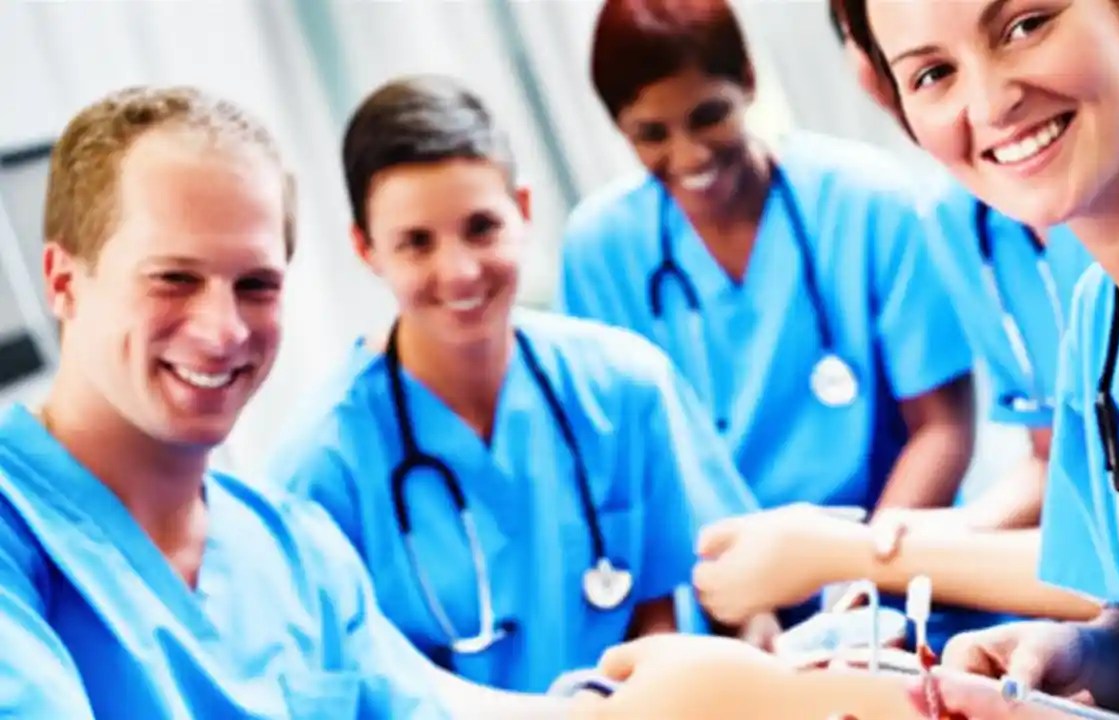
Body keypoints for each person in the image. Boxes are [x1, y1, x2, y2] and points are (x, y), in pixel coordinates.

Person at [569, 0, 1119, 717]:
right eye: (934, 73)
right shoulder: (1099, 327)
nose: (990, 103)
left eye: (1026, 25)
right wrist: (1074, 656)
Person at [0, 85, 579, 719]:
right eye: (173, 279)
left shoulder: (294, 549)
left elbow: (432, 707)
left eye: (255, 285)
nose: (222, 331)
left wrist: (626, 705)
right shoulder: (19, 532)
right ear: (63, 282)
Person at [269, 74, 758, 695]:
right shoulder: (322, 470)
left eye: (481, 228)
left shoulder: (624, 387)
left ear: (522, 211)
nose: (460, 272)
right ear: (366, 248)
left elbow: (665, 609)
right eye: (416, 243)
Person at [559, 0, 977, 627]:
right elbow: (638, 473)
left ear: (749, 80)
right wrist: (744, 604)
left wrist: (856, 577)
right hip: (725, 593)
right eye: (652, 133)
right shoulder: (602, 251)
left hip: (893, 566)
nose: (690, 154)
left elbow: (942, 428)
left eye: (709, 116)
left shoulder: (866, 202)